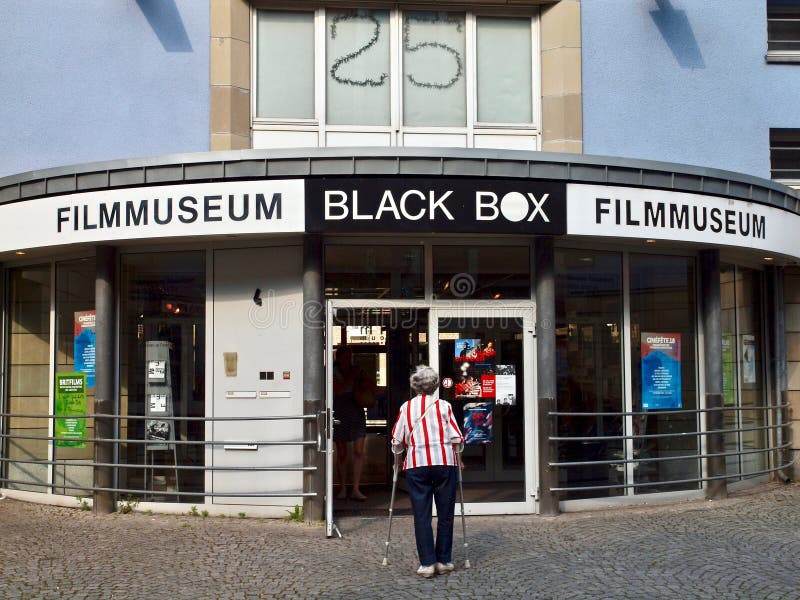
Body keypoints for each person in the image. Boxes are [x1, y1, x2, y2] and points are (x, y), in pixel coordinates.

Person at [390, 365, 464, 578]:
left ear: (415, 386)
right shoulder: (444, 406)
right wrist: (459, 453)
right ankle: (444, 560)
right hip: (444, 463)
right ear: (435, 385)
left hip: (417, 464)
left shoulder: (406, 407)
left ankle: (427, 564)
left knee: (421, 515)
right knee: (445, 514)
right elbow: (457, 438)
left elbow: (397, 440)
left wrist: (397, 458)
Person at [332, 346, 369, 501]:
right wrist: (352, 377)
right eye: (346, 357)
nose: (349, 360)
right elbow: (338, 390)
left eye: (350, 357)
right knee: (341, 451)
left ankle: (355, 488)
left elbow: (370, 386)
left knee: (359, 450)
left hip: (357, 412)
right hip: (340, 413)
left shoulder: (357, 371)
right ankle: (342, 487)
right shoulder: (332, 372)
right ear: (339, 358)